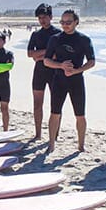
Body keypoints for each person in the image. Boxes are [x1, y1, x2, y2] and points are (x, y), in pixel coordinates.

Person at [43, 9, 95, 153]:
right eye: (62, 22)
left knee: (80, 114)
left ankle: (81, 145)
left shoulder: (84, 39)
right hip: (59, 80)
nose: (65, 25)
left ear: (76, 22)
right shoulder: (55, 39)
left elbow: (92, 61)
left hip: (77, 81)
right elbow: (46, 61)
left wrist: (77, 70)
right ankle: (51, 143)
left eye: (68, 22)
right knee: (55, 113)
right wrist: (60, 65)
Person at [26, 3, 61, 140]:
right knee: (37, 105)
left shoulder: (58, 33)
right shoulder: (36, 34)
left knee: (56, 105)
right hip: (39, 72)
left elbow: (58, 54)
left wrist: (40, 55)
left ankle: (55, 135)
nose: (42, 20)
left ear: (51, 17)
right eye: (40, 18)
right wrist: (47, 53)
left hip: (55, 73)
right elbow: (29, 53)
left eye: (45, 17)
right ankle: (38, 134)